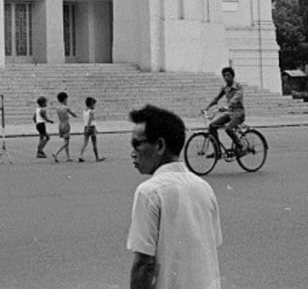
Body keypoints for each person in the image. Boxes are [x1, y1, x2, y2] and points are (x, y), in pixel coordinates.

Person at [127, 104, 222, 289]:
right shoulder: (204, 188)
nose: (133, 152)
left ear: (160, 145)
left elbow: (143, 264)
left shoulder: (149, 192)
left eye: (137, 144)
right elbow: (211, 244)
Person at [205, 66, 244, 153]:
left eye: (228, 75)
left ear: (233, 76)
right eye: (224, 76)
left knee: (228, 129)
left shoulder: (238, 86)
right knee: (212, 126)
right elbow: (216, 98)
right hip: (229, 113)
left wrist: (227, 107)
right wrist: (207, 108)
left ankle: (240, 146)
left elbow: (235, 99)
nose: (226, 78)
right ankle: (217, 151)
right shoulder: (225, 87)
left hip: (239, 113)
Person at [51, 91, 78, 162]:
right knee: (66, 142)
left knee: (66, 141)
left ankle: (68, 157)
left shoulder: (57, 108)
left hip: (60, 125)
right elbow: (73, 114)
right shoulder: (66, 108)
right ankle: (56, 153)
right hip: (66, 125)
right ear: (65, 99)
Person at [77, 97, 104, 162]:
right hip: (91, 128)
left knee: (85, 142)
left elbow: (86, 120)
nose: (94, 106)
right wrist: (91, 128)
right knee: (94, 143)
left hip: (85, 127)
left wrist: (87, 128)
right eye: (94, 104)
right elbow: (90, 120)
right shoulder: (91, 112)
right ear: (91, 104)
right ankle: (97, 158)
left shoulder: (84, 111)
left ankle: (80, 155)